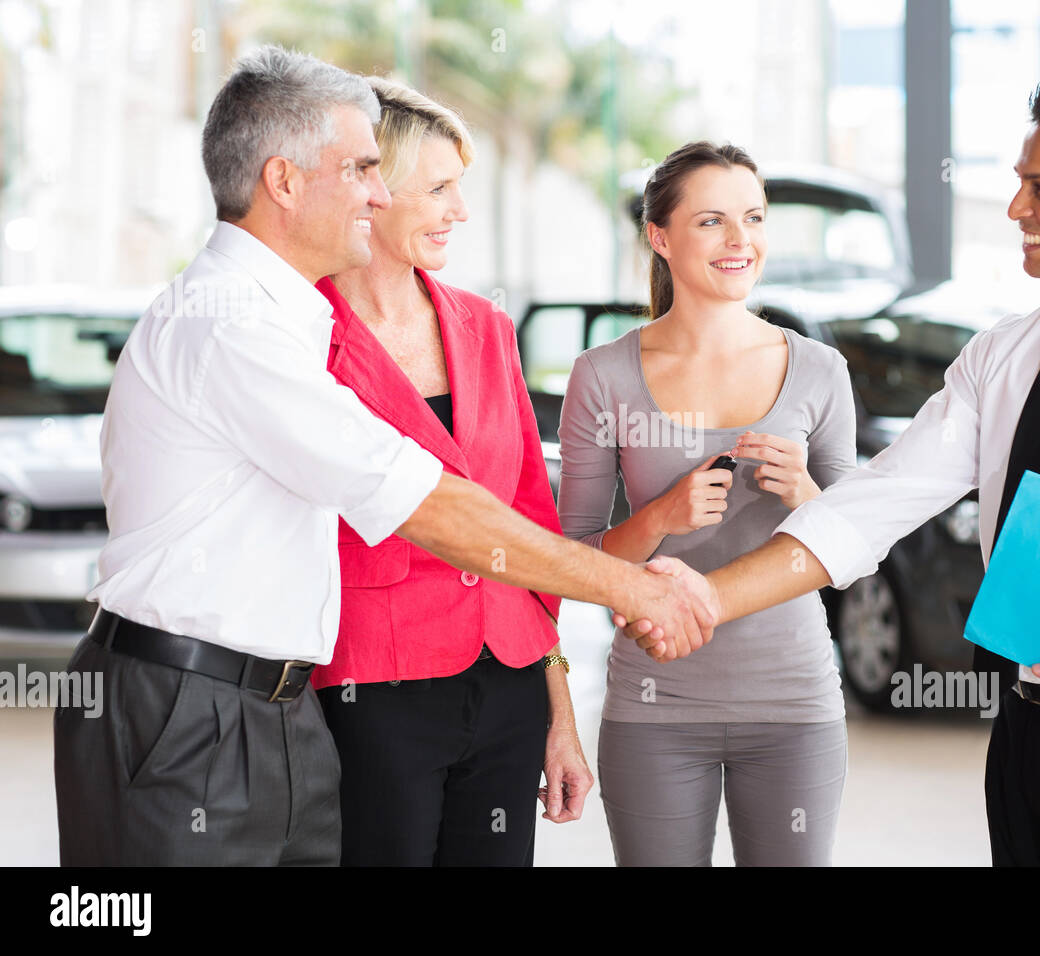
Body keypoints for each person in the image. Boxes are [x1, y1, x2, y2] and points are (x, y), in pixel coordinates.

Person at [53, 46, 711, 867]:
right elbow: (427, 503)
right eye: (363, 167)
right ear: (286, 182)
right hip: (194, 705)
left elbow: (498, 507)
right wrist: (634, 587)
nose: (377, 190)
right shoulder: (231, 324)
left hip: (277, 708)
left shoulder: (285, 317)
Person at [619, 78, 1040, 866]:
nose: (1016, 209)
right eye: (1018, 183)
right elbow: (876, 503)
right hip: (1024, 728)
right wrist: (704, 596)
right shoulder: (1006, 352)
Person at [310, 77, 591, 867]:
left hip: (506, 682)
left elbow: (530, 523)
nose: (459, 211)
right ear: (371, 188)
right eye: (438, 188)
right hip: (373, 687)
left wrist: (558, 711)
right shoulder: (300, 335)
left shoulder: (487, 326)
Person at [558, 141, 858, 866]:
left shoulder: (819, 369)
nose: (740, 240)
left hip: (793, 705)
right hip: (654, 708)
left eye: (753, 218)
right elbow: (571, 563)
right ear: (659, 237)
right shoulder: (602, 376)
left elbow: (854, 552)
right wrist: (660, 517)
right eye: (712, 221)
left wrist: (809, 497)